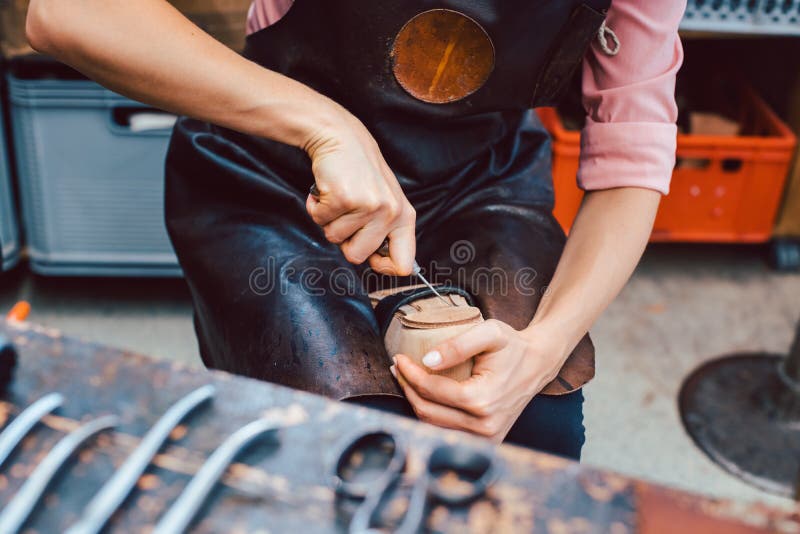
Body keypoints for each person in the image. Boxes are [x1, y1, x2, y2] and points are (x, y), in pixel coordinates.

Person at [27, 0, 685, 459]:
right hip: (275, 166)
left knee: (537, 425)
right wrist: (324, 127)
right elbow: (71, 12)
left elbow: (632, 161)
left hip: (478, 176)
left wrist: (542, 348)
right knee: (342, 444)